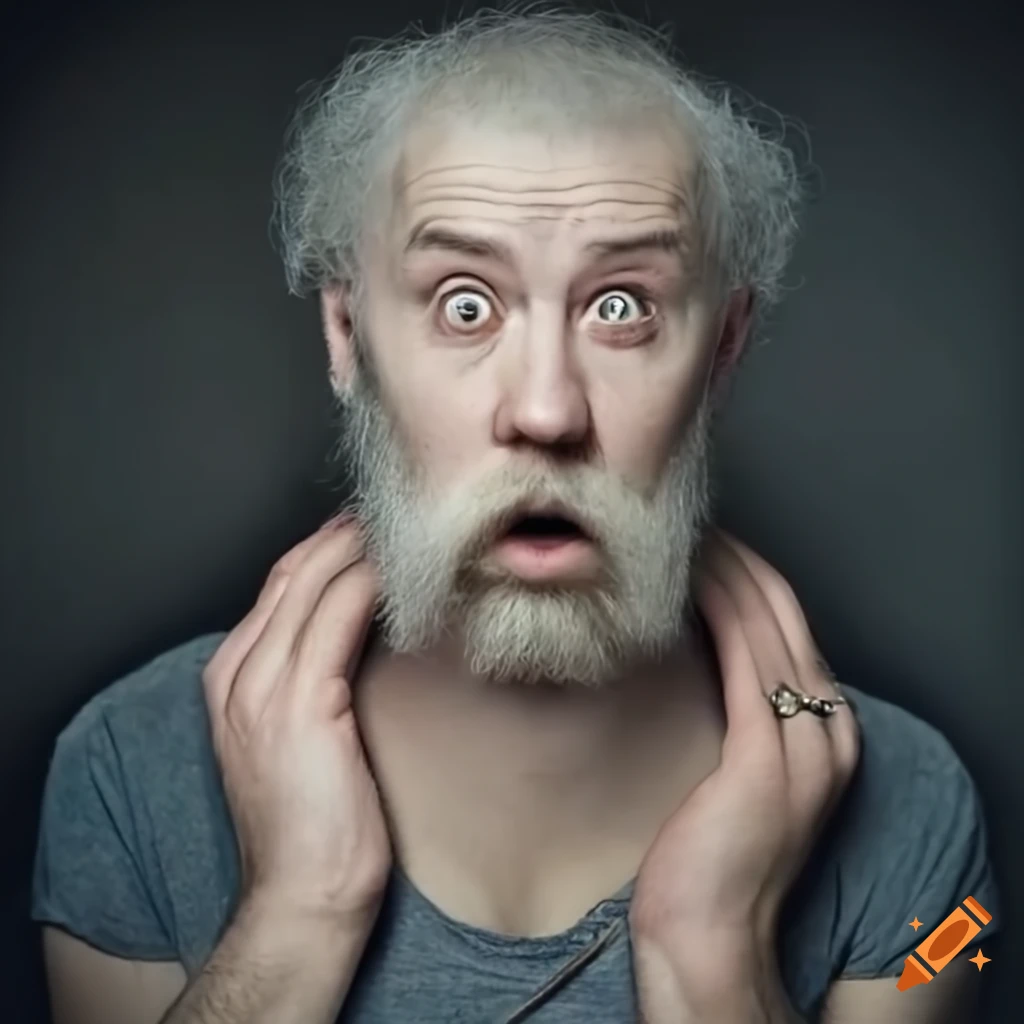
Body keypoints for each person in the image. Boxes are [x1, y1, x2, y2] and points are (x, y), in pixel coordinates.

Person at [31, 3, 1000, 1023]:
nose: (546, 411)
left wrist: (713, 953)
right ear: (348, 335)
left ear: (721, 350)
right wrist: (295, 917)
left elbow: (952, 956)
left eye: (621, 307)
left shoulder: (930, 843)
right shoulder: (126, 771)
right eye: (465, 303)